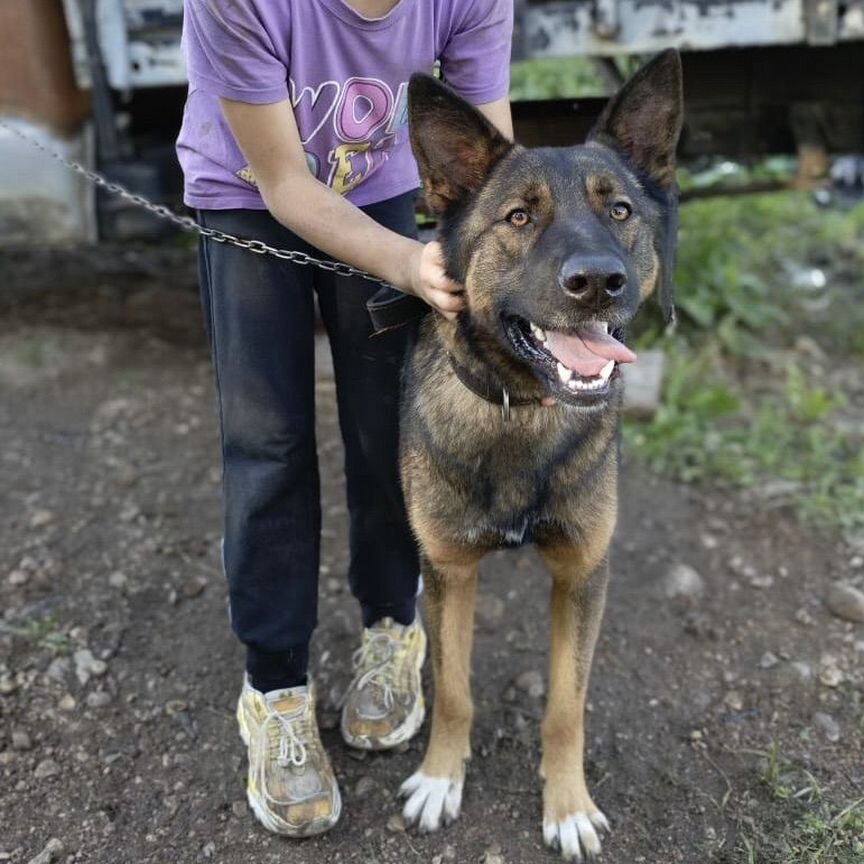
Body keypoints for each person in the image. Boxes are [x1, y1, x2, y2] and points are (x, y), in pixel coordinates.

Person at [176, 0, 514, 838]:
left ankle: (394, 627)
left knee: (388, 436)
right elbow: (287, 185)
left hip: (385, 185)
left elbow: (488, 167)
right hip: (248, 195)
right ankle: (275, 686)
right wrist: (407, 262)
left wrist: (498, 263)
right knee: (268, 443)